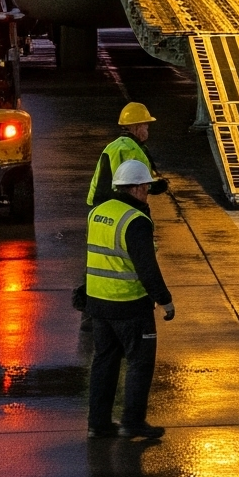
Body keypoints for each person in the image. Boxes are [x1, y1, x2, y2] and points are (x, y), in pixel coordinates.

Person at [82, 158, 174, 443]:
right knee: (139, 363)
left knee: (104, 362)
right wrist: (165, 300)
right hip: (130, 305)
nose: (147, 192)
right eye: (146, 187)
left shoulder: (97, 213)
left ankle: (98, 423)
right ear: (135, 188)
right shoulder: (135, 221)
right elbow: (147, 267)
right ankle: (132, 422)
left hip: (98, 304)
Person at [87, 102, 163, 208]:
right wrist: (154, 186)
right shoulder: (130, 150)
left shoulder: (115, 146)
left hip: (100, 206)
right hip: (114, 206)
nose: (147, 131)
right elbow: (128, 185)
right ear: (137, 127)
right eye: (146, 127)